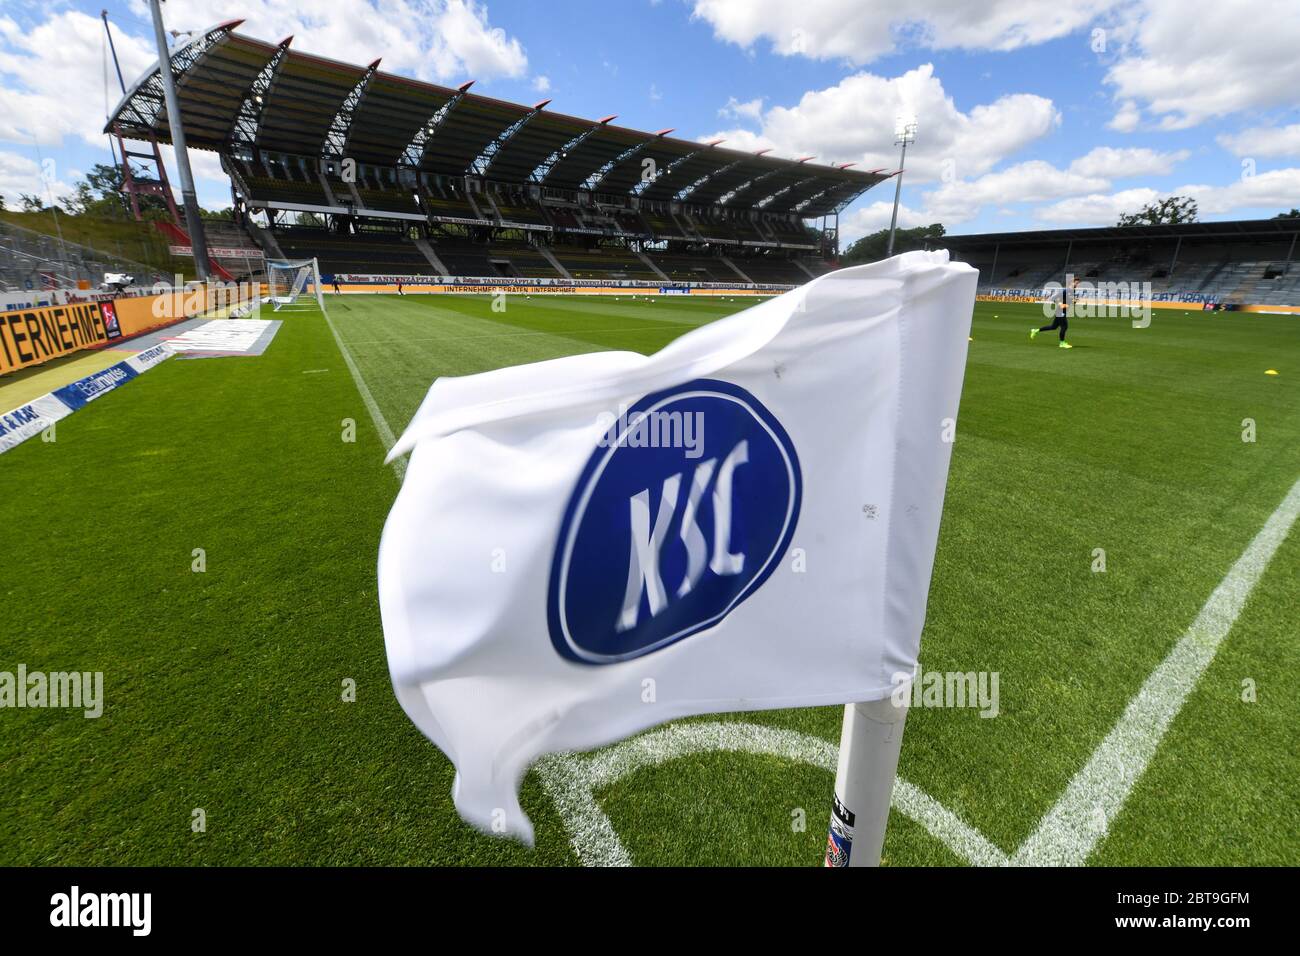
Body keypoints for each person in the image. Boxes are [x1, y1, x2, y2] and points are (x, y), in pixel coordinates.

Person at [1031, 276, 1076, 349]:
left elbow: (1068, 300)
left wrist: (1073, 301)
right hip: (1060, 311)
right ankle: (1062, 343)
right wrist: (1060, 304)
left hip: (1063, 311)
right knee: (1064, 327)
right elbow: (1054, 298)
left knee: (1053, 327)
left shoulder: (1073, 291)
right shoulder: (1066, 290)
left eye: (1077, 283)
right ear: (1071, 283)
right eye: (1075, 282)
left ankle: (1035, 330)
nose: (1077, 284)